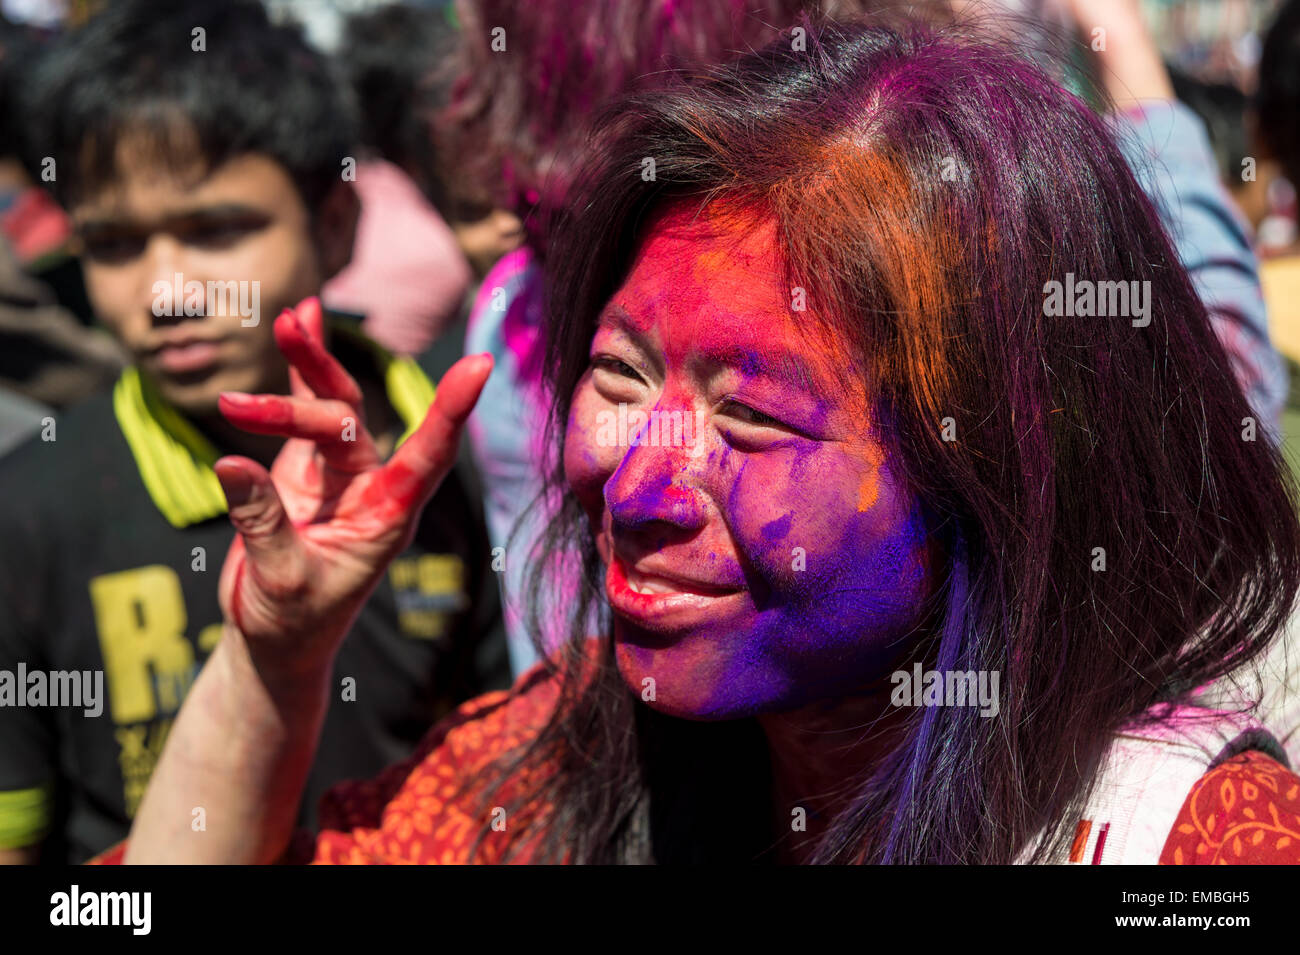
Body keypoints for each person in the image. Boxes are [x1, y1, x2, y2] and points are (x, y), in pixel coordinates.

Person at [103, 12, 1300, 866]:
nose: (637, 482)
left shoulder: (1187, 840)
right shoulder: (551, 767)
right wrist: (275, 659)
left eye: (751, 415)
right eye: (618, 377)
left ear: (1001, 465)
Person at [0, 0, 508, 865]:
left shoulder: (448, 458)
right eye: (116, 244)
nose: (167, 292)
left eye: (216, 231)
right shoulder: (31, 508)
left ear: (337, 223)